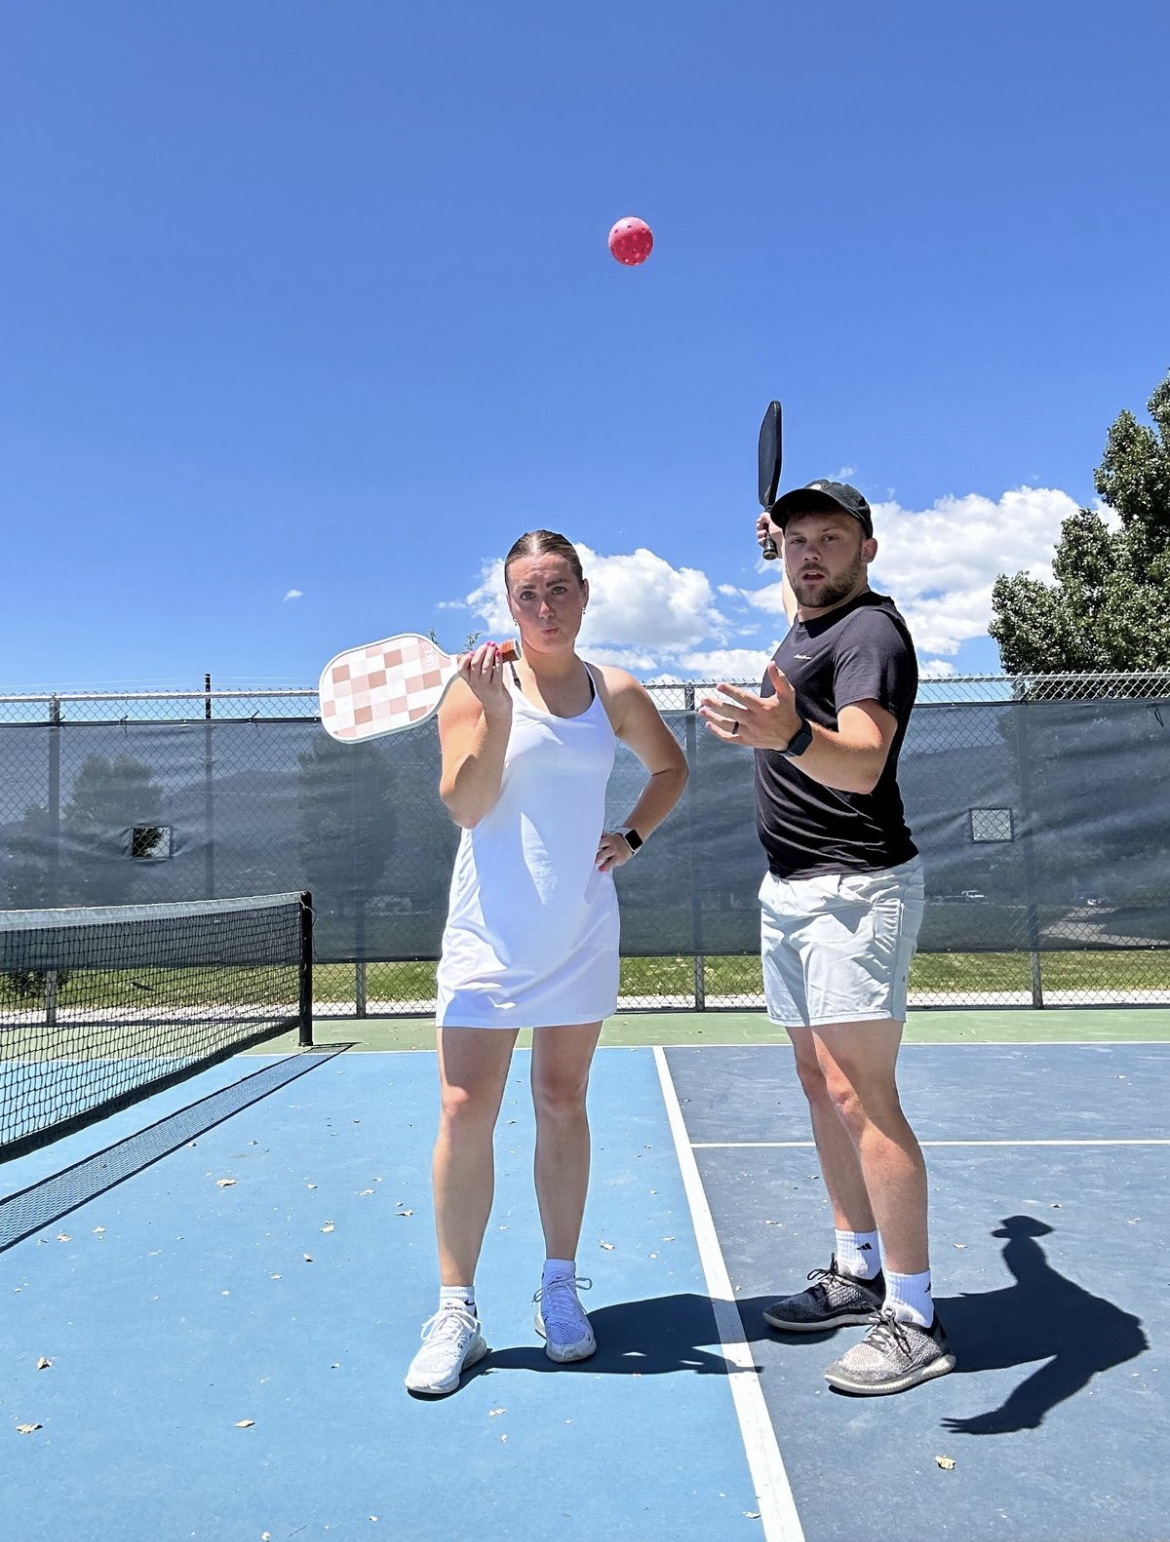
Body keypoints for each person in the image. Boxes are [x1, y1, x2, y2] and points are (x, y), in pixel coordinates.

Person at [405, 528, 689, 1396]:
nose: (544, 607)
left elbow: (670, 768)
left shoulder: (618, 690)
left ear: (585, 592)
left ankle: (561, 1288)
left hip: (578, 934)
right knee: (465, 1110)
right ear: (508, 602)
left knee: (562, 1102)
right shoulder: (474, 687)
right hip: (488, 937)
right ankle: (457, 1311)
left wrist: (632, 834)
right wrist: (493, 716)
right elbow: (467, 803)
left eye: (558, 589)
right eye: (527, 594)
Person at [699, 480, 955, 1396]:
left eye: (831, 539)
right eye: (795, 540)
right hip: (795, 889)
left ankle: (916, 1315)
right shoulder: (808, 622)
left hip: (856, 888)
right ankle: (857, 1269)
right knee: (820, 1081)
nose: (810, 556)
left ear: (868, 549)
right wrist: (779, 545)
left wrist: (786, 733)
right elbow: (796, 590)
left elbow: (861, 760)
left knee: (861, 1095)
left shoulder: (869, 636)